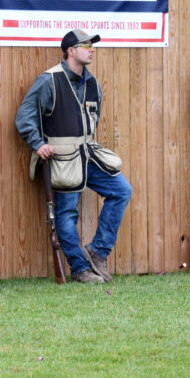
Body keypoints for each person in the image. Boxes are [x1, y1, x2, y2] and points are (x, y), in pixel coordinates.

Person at [15, 29, 132, 283]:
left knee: (121, 190)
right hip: (62, 158)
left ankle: (98, 251)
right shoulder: (49, 80)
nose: (92, 48)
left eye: (92, 44)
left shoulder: (93, 83)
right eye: (86, 44)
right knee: (67, 214)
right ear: (70, 50)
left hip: (89, 154)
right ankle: (79, 269)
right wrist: (37, 144)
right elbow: (25, 117)